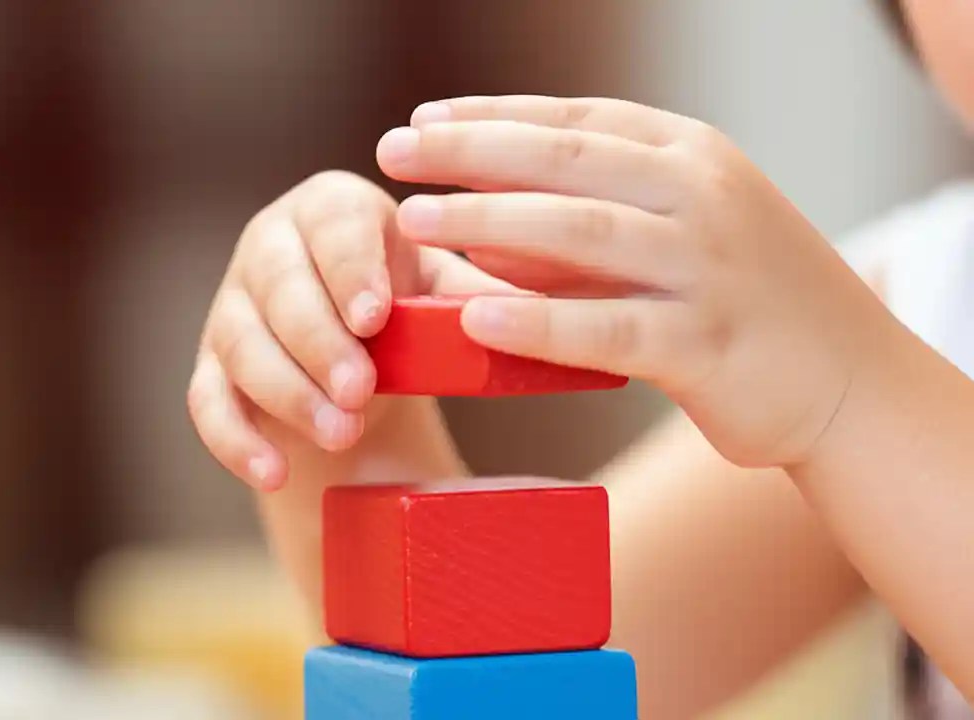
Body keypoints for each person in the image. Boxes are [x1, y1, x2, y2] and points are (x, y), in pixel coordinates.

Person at [186, 1, 974, 717]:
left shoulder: (859, 347)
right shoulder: (922, 297)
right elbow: (522, 690)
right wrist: (355, 412)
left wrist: (850, 393)